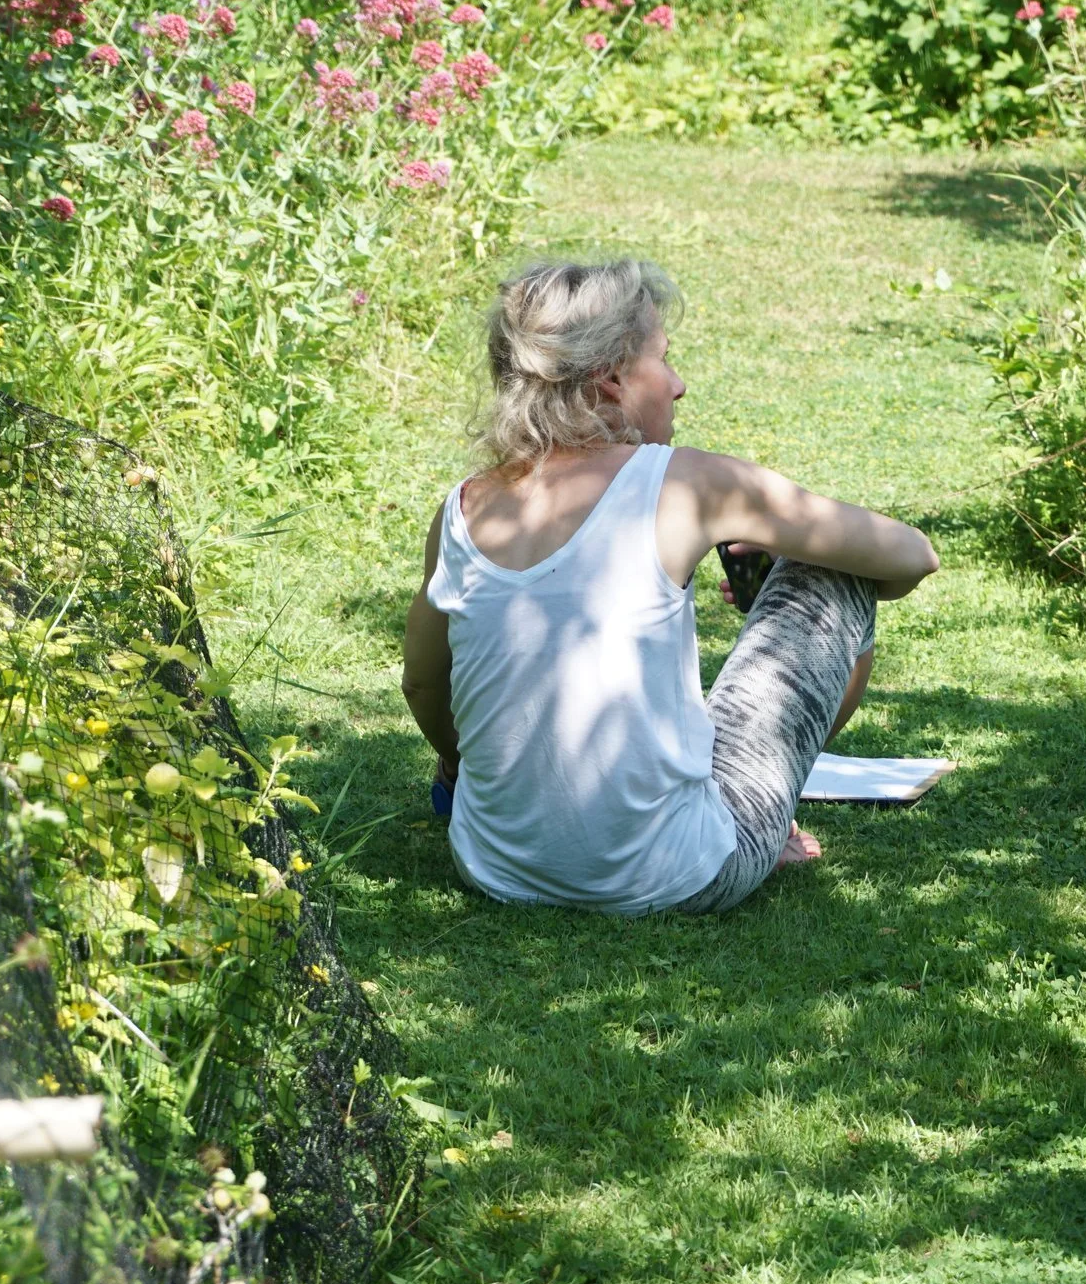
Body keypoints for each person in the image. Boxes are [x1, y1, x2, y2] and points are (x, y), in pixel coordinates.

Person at [401, 258, 940, 914]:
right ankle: (763, 816)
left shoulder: (464, 507)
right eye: (665, 359)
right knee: (834, 569)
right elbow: (913, 556)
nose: (679, 386)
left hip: (493, 868)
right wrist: (787, 563)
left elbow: (423, 684)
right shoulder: (687, 483)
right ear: (611, 379)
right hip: (679, 877)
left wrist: (467, 771)